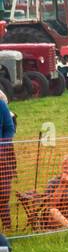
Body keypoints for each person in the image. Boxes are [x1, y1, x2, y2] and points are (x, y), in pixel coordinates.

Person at [0, 92, 16, 230]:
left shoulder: (1, 105)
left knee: (3, 195)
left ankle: (8, 230)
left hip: (1, 158)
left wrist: (3, 147)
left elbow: (9, 128)